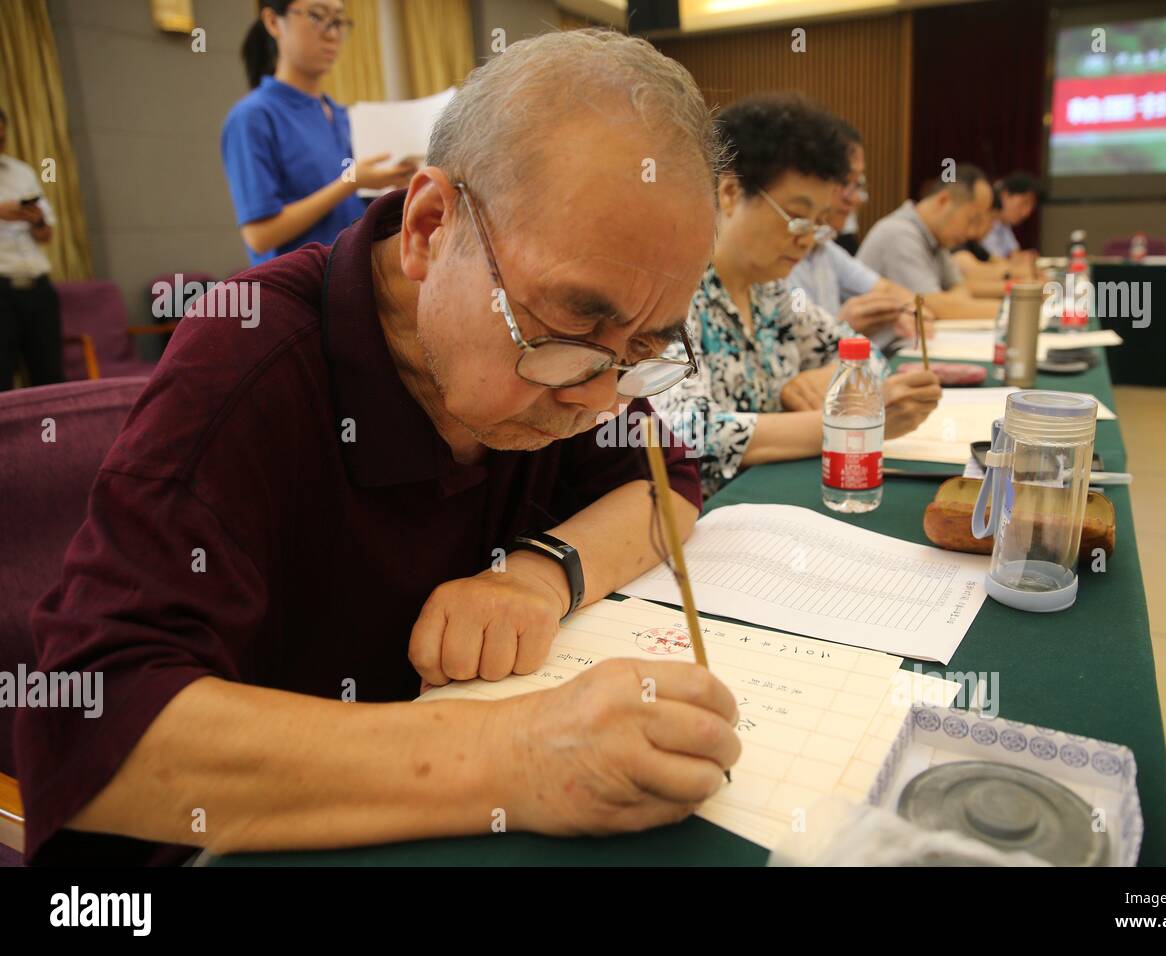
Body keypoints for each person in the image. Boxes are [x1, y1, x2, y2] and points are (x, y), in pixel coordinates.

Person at [17, 29, 741, 865]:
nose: (597, 397)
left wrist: (540, 576)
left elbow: (666, 487)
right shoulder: (248, 356)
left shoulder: (586, 361)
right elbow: (94, 729)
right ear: (431, 227)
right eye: (568, 327)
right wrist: (519, 753)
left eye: (644, 348)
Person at [650, 95, 941, 497]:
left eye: (819, 222)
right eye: (797, 216)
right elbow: (689, 432)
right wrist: (850, 418)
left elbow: (864, 354)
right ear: (732, 192)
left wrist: (831, 377)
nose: (807, 239)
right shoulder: (671, 294)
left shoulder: (772, 293)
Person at [222, 0, 415, 264]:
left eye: (338, 21)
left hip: (353, 278)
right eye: (316, 16)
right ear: (272, 22)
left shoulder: (343, 116)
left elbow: (356, 212)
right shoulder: (253, 116)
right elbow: (260, 235)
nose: (332, 33)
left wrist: (396, 183)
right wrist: (349, 182)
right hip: (297, 290)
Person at [788, 119, 932, 354]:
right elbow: (787, 361)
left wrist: (895, 309)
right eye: (846, 182)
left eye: (859, 184)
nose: (855, 198)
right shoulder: (775, 255)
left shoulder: (825, 247)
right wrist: (842, 326)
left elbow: (894, 294)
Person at [856, 165, 1000, 320]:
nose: (972, 232)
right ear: (943, 201)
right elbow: (938, 308)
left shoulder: (936, 239)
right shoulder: (899, 234)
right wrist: (1011, 312)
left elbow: (962, 290)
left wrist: (949, 302)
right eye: (971, 220)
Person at [0, 106, 62, 390]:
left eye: (2, 139)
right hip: (2, 289)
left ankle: (51, 435)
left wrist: (36, 221)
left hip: (37, 285)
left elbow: (46, 234)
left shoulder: (21, 171)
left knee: (49, 373)